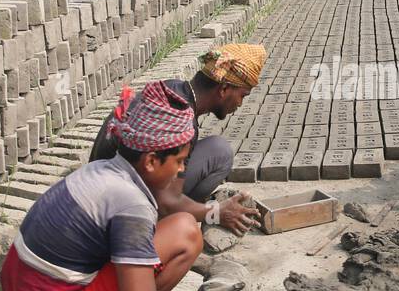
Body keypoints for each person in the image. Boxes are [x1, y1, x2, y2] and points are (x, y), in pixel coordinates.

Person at [2, 81, 249, 291]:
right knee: (186, 235)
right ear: (151, 161)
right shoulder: (132, 204)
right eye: (180, 161)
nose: (182, 170)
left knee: (177, 228)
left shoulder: (101, 171)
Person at [90, 44, 267, 236]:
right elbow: (166, 202)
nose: (240, 104)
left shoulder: (172, 88)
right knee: (220, 154)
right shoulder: (180, 121)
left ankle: (179, 213)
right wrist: (217, 213)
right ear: (224, 89)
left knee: (218, 150)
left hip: (101, 186)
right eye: (242, 95)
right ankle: (161, 230)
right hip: (114, 214)